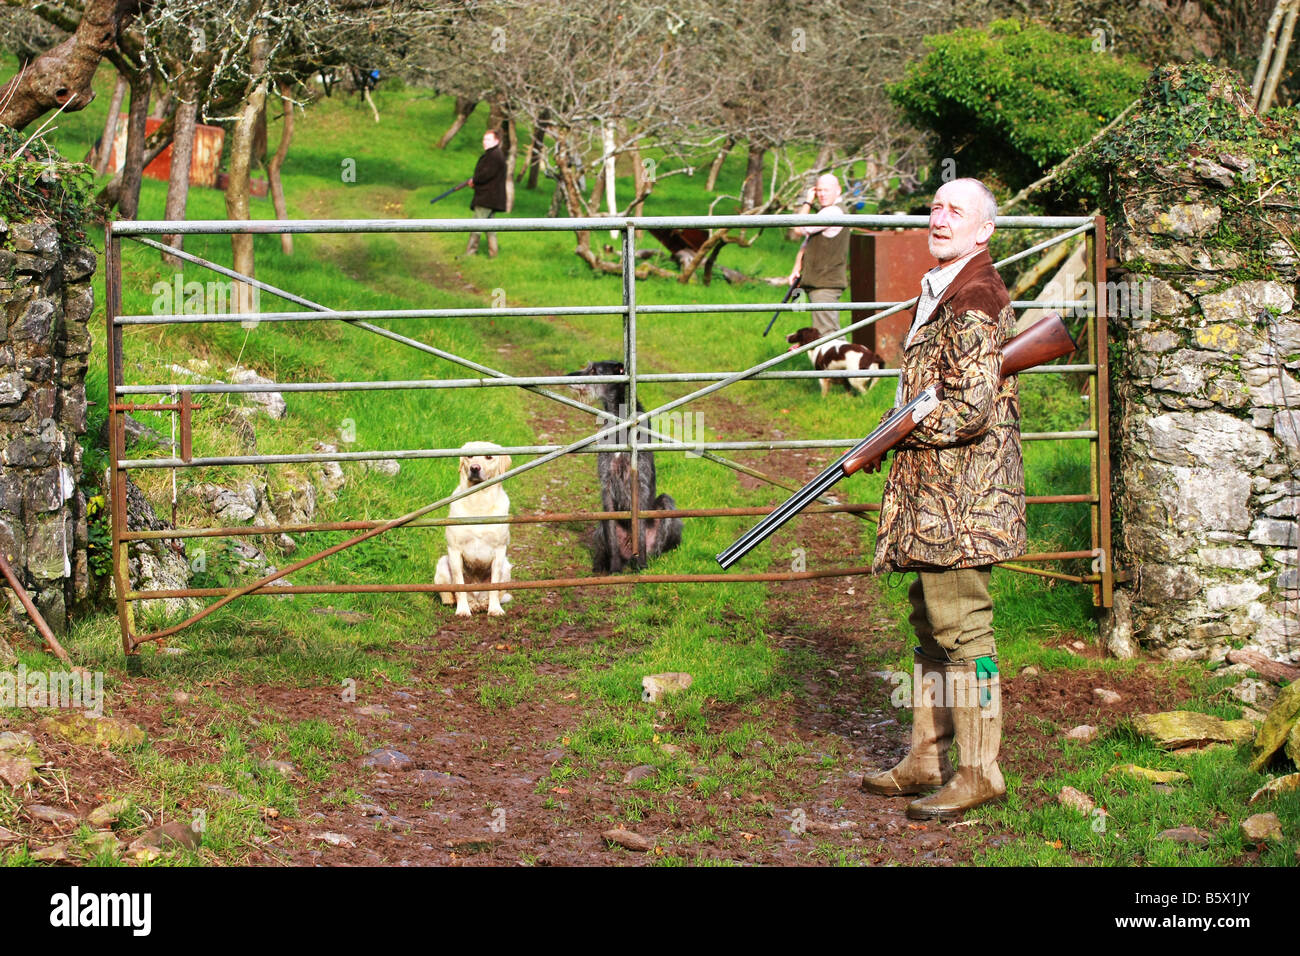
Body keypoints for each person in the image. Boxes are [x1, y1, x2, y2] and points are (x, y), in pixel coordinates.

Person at [859, 177, 1025, 821]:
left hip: (964, 498)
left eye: (956, 211)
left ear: (983, 232)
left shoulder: (975, 296)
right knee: (932, 624)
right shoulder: (945, 288)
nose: (940, 217)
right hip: (936, 496)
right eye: (934, 207)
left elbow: (971, 408)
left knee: (965, 630)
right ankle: (926, 758)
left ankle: (981, 771)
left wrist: (893, 435)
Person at [788, 173, 850, 340]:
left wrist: (808, 201)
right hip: (819, 281)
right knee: (827, 332)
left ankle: (846, 366)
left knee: (828, 335)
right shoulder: (825, 212)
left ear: (838, 190)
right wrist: (797, 268)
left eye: (826, 190)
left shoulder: (833, 212)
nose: (822, 194)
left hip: (825, 282)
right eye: (819, 190)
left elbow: (798, 228)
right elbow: (807, 243)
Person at [466, 129, 507, 257]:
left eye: (488, 139)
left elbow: (485, 175)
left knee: (476, 225)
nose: (485, 142)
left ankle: (470, 252)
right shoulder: (494, 155)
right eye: (484, 139)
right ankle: (493, 255)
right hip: (491, 198)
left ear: (496, 141)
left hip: (487, 198)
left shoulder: (494, 156)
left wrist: (474, 180)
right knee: (490, 228)